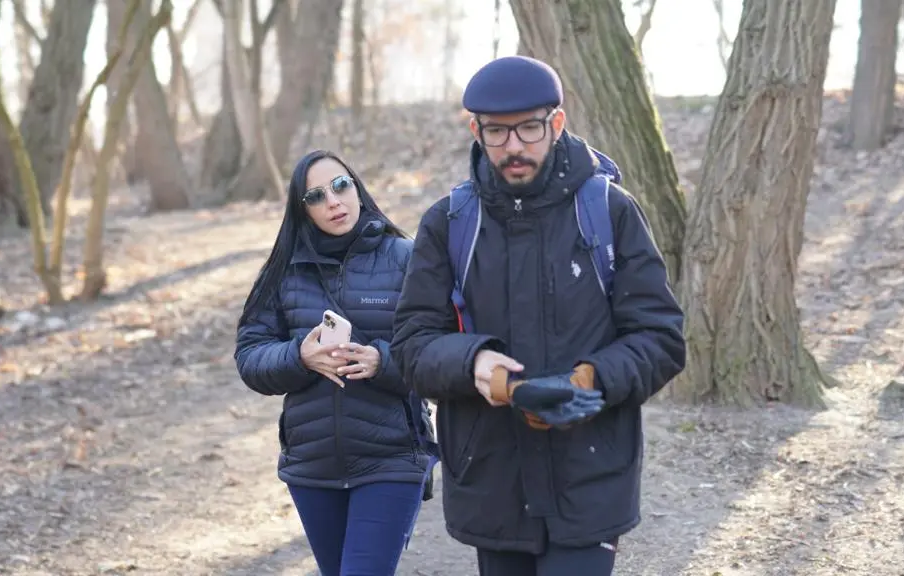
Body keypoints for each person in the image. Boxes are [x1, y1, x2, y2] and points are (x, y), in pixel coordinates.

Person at [390, 55, 687, 576]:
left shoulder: (609, 210)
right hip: (491, 477)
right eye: (497, 132)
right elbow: (413, 345)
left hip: (590, 472)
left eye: (528, 128)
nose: (514, 147)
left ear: (557, 122)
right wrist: (488, 372)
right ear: (475, 130)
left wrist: (587, 380)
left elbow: (661, 337)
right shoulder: (449, 222)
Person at [235, 149, 436, 576]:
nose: (334, 201)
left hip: (392, 459)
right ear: (302, 209)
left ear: (357, 188)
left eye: (341, 186)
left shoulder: (406, 258)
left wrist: (382, 361)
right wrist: (299, 356)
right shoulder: (284, 271)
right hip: (312, 467)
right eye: (316, 196)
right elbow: (250, 357)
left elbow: (436, 352)